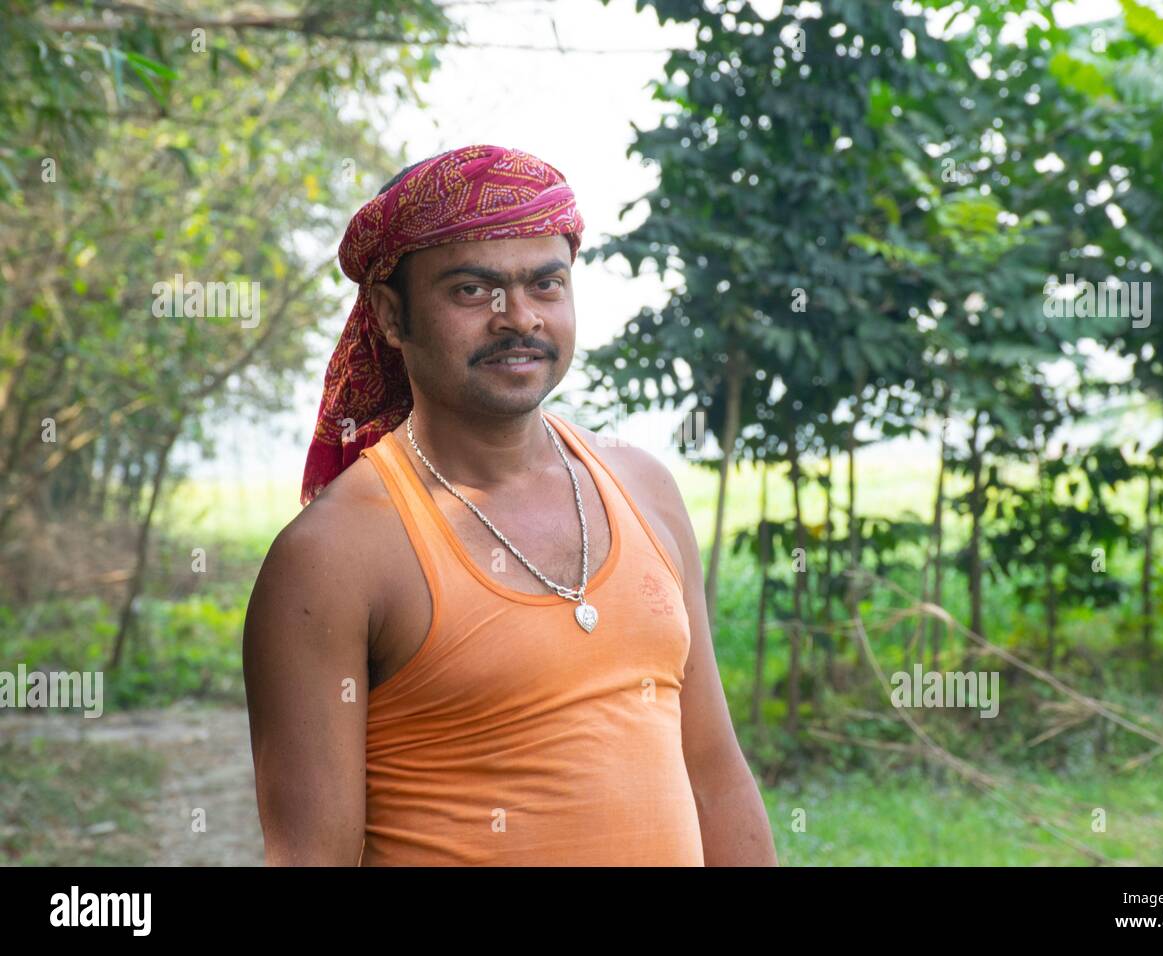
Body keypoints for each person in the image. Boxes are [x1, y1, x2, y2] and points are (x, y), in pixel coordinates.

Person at [243, 144, 777, 866]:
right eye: (472, 291)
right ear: (391, 315)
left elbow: (714, 776)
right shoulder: (333, 555)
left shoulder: (644, 487)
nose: (517, 317)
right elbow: (312, 858)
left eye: (546, 284)